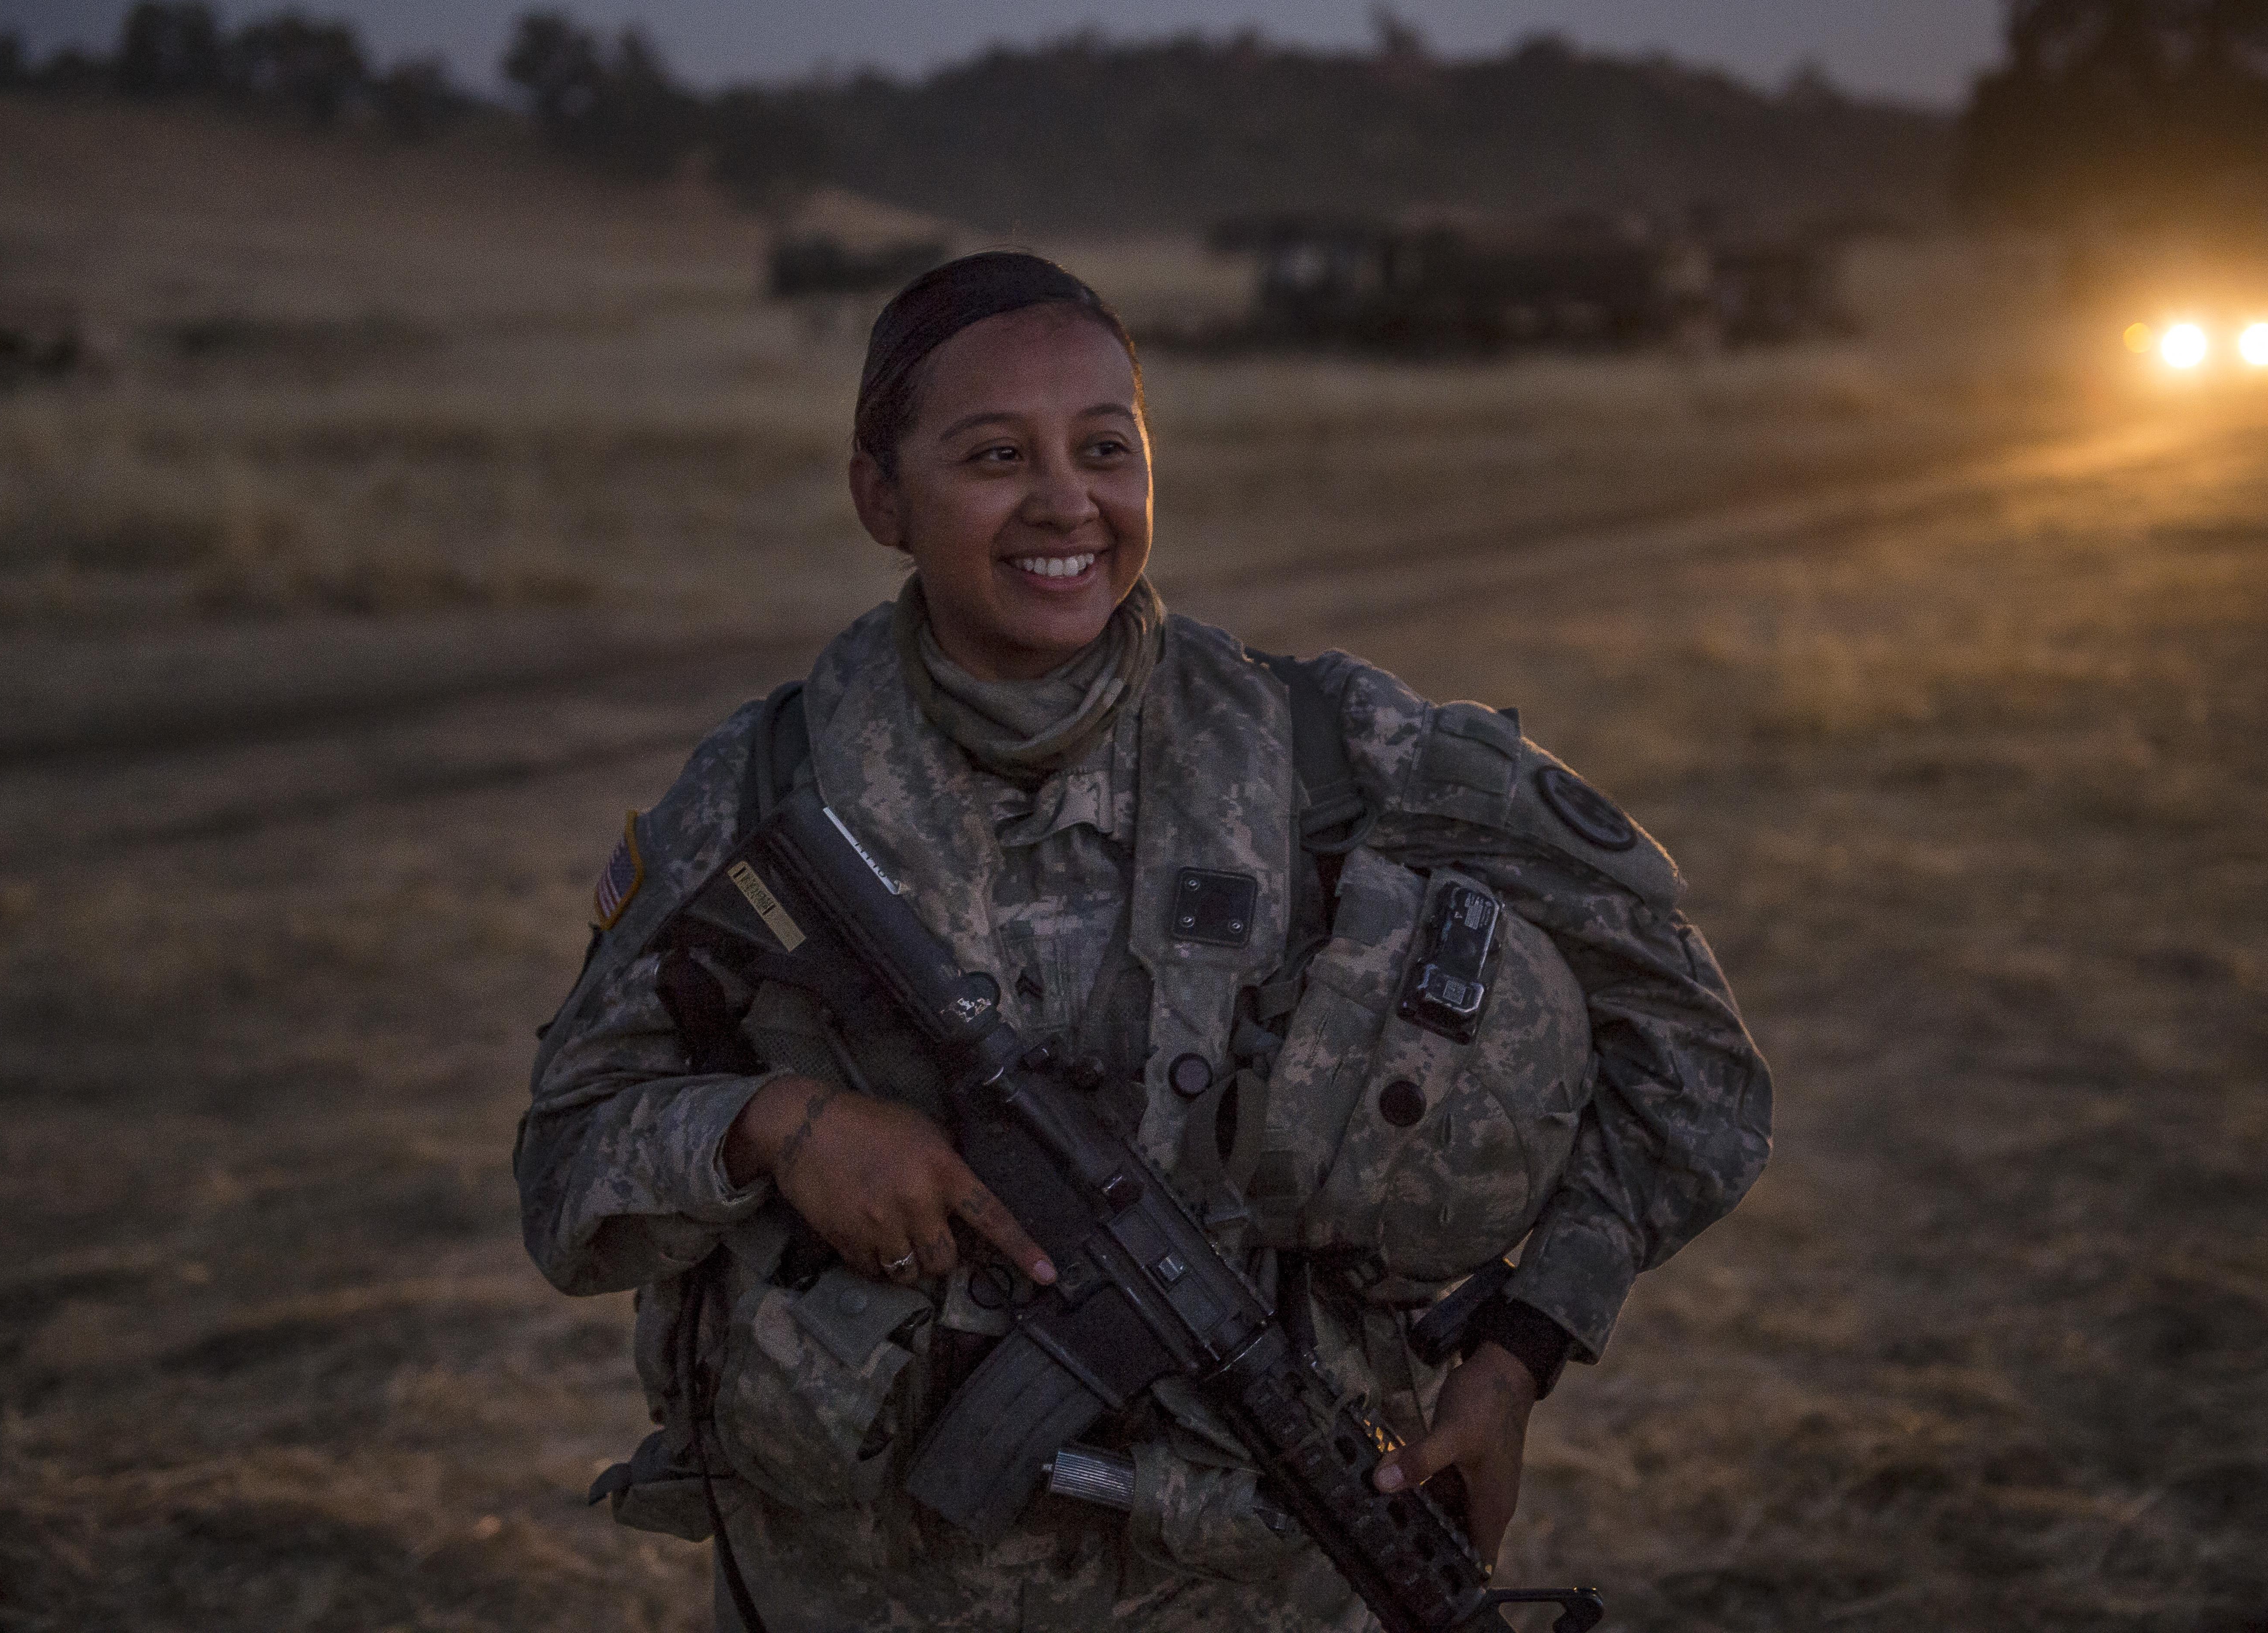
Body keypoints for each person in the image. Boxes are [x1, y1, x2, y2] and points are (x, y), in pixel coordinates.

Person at [516, 252, 1771, 1632]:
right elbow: (565, 1164)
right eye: (995, 454)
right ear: (881, 496)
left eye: (1106, 447)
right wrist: (779, 1125)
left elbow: (1696, 1064)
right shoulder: (760, 795)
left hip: (1257, 1589)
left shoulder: (1337, 756)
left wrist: (1519, 1348)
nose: (1066, 501)